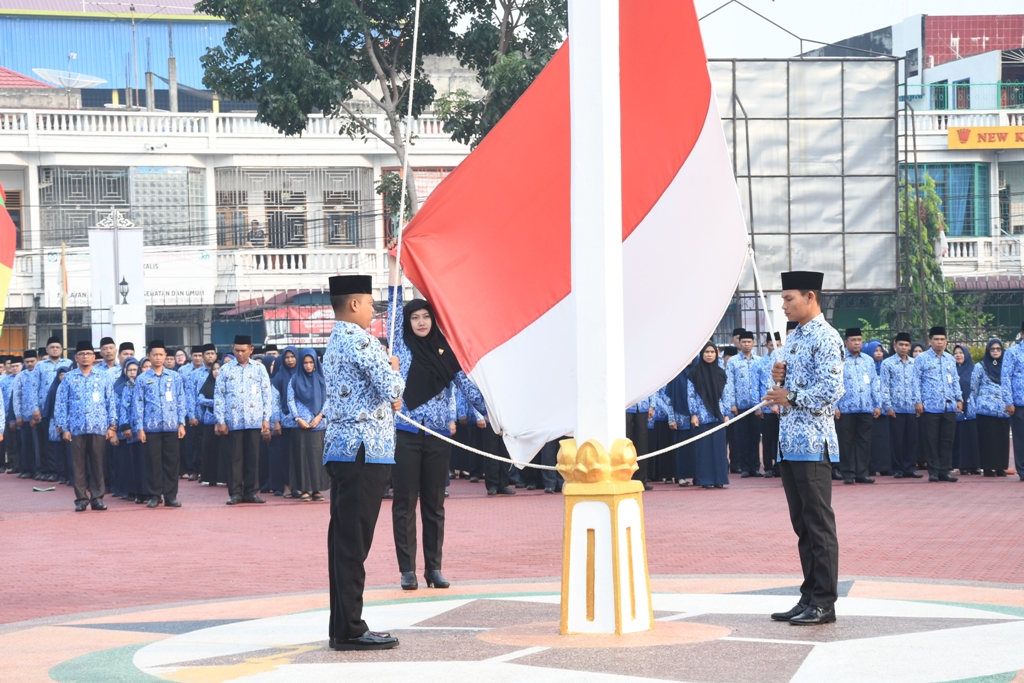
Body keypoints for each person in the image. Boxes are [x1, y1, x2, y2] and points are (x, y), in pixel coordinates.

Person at [387, 259, 488, 591]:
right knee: (404, 503)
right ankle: (407, 570)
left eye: (426, 316)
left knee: (434, 504)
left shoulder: (447, 352)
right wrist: (395, 266)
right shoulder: (401, 345)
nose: (420, 322)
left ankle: (434, 568)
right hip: (406, 434)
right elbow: (392, 304)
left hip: (439, 436)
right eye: (414, 317)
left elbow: (468, 387)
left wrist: (491, 413)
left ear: (434, 319)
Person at [323, 274, 404, 651]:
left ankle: (342, 624)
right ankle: (351, 629)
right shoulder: (363, 341)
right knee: (354, 543)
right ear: (354, 304)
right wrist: (394, 367)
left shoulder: (335, 340)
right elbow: (393, 391)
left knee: (342, 541)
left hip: (342, 449)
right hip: (364, 451)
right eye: (370, 303)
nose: (373, 309)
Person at [763, 271, 843, 626]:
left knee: (818, 524)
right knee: (802, 526)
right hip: (789, 443)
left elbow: (832, 390)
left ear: (810, 297)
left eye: (788, 298)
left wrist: (790, 395)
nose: (783, 305)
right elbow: (781, 389)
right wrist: (778, 376)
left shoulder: (826, 337)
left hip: (813, 443)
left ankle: (825, 602)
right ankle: (809, 595)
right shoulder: (793, 339)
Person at [54, 341, 119, 512]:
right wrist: (64, 427)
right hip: (76, 428)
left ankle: (97, 498)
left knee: (98, 464)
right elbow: (61, 404)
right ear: (76, 358)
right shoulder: (69, 377)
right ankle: (81, 499)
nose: (85, 357)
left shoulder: (103, 377)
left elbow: (110, 402)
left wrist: (112, 425)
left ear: (94, 357)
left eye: (88, 353)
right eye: (81, 354)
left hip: (98, 427)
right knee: (78, 465)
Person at [214, 335, 273, 505]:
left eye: (243, 351)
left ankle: (251, 492)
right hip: (233, 421)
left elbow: (266, 394)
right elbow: (219, 396)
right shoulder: (225, 369)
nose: (240, 354)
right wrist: (221, 420)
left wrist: (266, 418)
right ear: (232, 349)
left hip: (254, 420)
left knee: (253, 457)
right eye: (237, 350)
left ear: (251, 350)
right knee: (234, 458)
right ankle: (235, 493)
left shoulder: (259, 368)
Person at [132, 340, 187, 508]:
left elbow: (181, 400)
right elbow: (138, 404)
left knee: (172, 462)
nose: (158, 358)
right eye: (154, 355)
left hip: (172, 426)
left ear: (165, 356)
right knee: (152, 462)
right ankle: (154, 495)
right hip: (151, 427)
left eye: (161, 355)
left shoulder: (175, 377)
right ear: (149, 356)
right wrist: (139, 428)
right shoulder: (142, 379)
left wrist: (181, 423)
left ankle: (171, 495)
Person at [914, 327, 963, 483]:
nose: (939, 342)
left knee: (947, 440)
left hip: (948, 405)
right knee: (931, 440)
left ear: (946, 341)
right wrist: (918, 401)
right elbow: (915, 381)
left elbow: (954, 380)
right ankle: (933, 471)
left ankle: (944, 470)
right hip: (930, 406)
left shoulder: (950, 358)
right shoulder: (922, 358)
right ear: (930, 341)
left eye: (942, 339)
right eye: (936, 339)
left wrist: (959, 399)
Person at [834, 327, 881, 485]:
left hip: (866, 407)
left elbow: (874, 383)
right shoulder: (839, 360)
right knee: (846, 441)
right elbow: (834, 384)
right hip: (846, 408)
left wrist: (877, 404)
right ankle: (847, 473)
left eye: (859, 340)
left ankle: (862, 472)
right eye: (853, 340)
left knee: (864, 441)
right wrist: (835, 406)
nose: (856, 343)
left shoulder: (868, 360)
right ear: (846, 342)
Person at [286, 348, 329, 500]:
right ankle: (304, 489)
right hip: (301, 425)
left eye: (311, 362)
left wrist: (320, 416)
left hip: (319, 424)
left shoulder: (322, 379)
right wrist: (298, 418)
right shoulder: (295, 379)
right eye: (305, 362)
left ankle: (317, 489)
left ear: (316, 363)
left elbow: (328, 399)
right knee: (302, 456)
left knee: (317, 456)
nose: (308, 365)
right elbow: (290, 400)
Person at [688, 342, 732, 489]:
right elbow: (691, 395)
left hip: (718, 416)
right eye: (706, 352)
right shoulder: (694, 373)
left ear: (717, 353)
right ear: (702, 354)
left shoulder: (721, 373)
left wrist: (726, 414)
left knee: (719, 449)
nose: (709, 355)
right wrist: (693, 414)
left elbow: (726, 395)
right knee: (704, 449)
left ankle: (720, 478)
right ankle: (705, 479)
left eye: (712, 352)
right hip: (702, 416)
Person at [881, 332, 923, 479]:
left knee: (911, 440)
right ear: (895, 345)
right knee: (897, 440)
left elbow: (918, 385)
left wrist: (919, 403)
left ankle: (910, 467)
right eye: (901, 344)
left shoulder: (915, 363)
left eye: (906, 345)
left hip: (912, 408)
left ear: (910, 346)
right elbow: (884, 386)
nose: (903, 347)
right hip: (895, 408)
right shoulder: (887, 363)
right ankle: (897, 468)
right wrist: (888, 406)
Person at [972, 339, 1010, 477]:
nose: (995, 351)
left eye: (998, 349)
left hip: (1003, 410)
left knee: (1002, 439)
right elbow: (974, 388)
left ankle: (1000, 467)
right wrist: (978, 404)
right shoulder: (980, 367)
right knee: (987, 439)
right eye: (992, 349)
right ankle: (987, 468)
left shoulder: (1006, 366)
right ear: (988, 351)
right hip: (985, 410)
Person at [728, 330, 763, 478]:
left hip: (756, 407)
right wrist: (732, 404)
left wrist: (762, 405)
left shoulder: (759, 361)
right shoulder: (733, 361)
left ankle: (755, 467)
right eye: (744, 342)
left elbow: (763, 383)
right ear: (739, 344)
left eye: (749, 342)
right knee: (741, 437)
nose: (746, 345)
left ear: (753, 343)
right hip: (740, 406)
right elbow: (729, 384)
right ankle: (744, 468)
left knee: (755, 437)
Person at [115, 357, 146, 503]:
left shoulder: (143, 384)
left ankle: (145, 491)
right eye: (130, 370)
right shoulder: (122, 386)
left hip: (144, 430)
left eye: (135, 370)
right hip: (127, 430)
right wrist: (122, 427)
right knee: (128, 463)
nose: (133, 373)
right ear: (124, 371)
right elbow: (121, 408)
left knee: (144, 462)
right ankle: (131, 491)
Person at [756, 330, 787, 479]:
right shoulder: (761, 362)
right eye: (772, 345)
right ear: (767, 346)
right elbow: (762, 384)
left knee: (780, 438)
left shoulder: (785, 358)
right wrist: (764, 405)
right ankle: (768, 466)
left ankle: (778, 466)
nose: (775, 348)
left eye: (778, 345)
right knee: (768, 438)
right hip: (768, 405)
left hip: (784, 407)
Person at [861, 339, 893, 477]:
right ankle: (871, 467)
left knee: (883, 440)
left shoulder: (884, 367)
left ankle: (884, 466)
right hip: (870, 409)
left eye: (881, 351)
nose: (879, 353)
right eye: (876, 351)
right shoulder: (866, 366)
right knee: (870, 439)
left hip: (884, 409)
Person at [952, 344, 980, 475]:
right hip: (956, 409)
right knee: (959, 437)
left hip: (972, 409)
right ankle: (961, 464)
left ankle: (974, 465)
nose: (958, 355)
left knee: (972, 437)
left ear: (967, 355)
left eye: (961, 353)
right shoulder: (951, 370)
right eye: (956, 353)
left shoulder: (974, 370)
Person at [197, 360, 226, 486]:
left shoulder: (226, 384)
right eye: (214, 369)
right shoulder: (208, 384)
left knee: (222, 450)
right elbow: (200, 399)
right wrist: (216, 402)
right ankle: (208, 477)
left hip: (224, 422)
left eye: (219, 368)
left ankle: (222, 477)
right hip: (209, 421)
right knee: (209, 449)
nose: (216, 371)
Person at [666, 366, 695, 487]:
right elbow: (669, 398)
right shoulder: (675, 374)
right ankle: (681, 476)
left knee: (696, 448)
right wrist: (672, 418)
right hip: (680, 417)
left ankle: (697, 476)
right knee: (681, 449)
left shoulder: (697, 371)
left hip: (697, 417)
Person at [1002, 322, 1024, 481]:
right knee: (1020, 438)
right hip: (1018, 402)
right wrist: (1008, 401)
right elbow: (1005, 377)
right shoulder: (1013, 353)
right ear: (1022, 334)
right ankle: (1022, 470)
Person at [13, 349, 39, 479]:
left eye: (32, 361)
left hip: (38, 416)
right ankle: (28, 469)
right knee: (26, 444)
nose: (29, 364)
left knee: (38, 446)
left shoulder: (40, 374)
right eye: (27, 362)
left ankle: (38, 470)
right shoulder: (20, 376)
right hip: (24, 416)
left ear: (37, 360)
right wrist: (18, 416)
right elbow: (16, 397)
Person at [625, 396, 655, 490]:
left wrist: (652, 406)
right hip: (626, 405)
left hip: (643, 405)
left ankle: (641, 479)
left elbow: (651, 386)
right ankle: (626, 477)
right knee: (626, 441)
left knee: (642, 443)